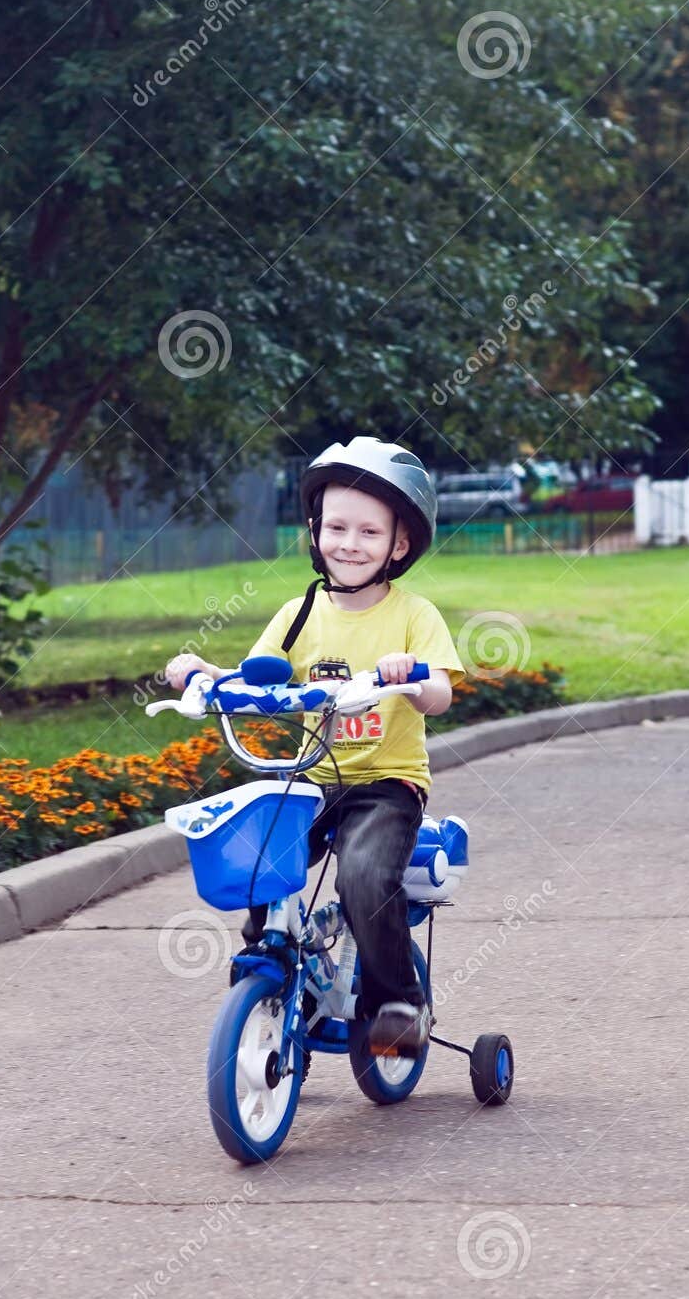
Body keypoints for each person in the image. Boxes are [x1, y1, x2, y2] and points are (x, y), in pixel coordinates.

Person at [164, 436, 464, 1056]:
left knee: (361, 872)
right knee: (258, 862)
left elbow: (440, 693)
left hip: (387, 783)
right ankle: (273, 969)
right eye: (336, 527)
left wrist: (410, 679)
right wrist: (204, 675)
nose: (349, 544)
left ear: (399, 545)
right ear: (314, 530)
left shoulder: (414, 615)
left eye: (369, 533)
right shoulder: (300, 612)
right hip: (312, 776)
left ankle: (396, 1003)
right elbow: (255, 677)